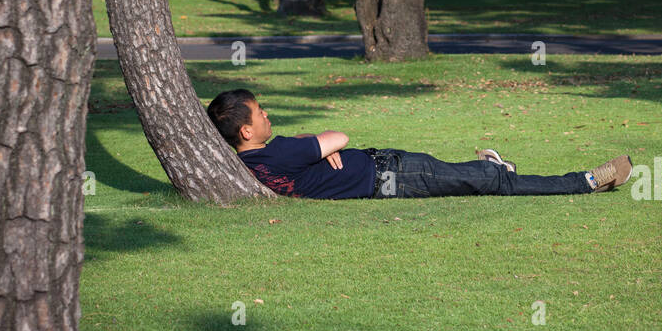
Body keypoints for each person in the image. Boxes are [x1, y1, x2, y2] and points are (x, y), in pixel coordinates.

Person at [206, 88, 633, 201]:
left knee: (470, 175)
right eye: (260, 113)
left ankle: (488, 167)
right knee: (494, 183)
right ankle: (587, 180)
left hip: (391, 172)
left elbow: (317, 148)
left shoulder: (252, 163)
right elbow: (340, 137)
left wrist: (317, 149)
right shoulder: (280, 151)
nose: (267, 116)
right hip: (398, 175)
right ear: (246, 130)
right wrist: (323, 145)